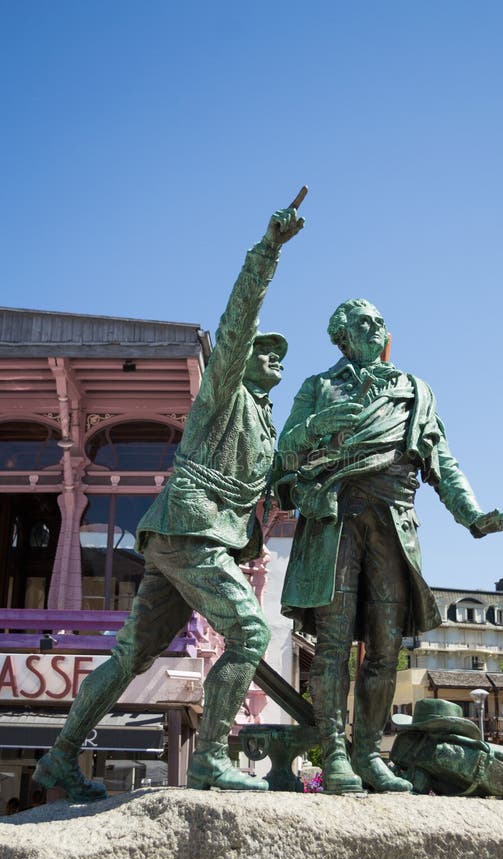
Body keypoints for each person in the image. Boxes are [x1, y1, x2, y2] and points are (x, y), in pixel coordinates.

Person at [34, 202, 304, 801]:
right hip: (191, 529)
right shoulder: (225, 391)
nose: (275, 357)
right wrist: (269, 250)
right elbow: (237, 319)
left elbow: (274, 490)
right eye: (267, 350)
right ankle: (208, 758)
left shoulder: (264, 423)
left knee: (130, 653)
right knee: (251, 634)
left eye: (282, 353)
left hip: (189, 538)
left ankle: (57, 758)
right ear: (244, 356)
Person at [276, 298, 503, 794]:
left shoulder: (414, 391)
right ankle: (336, 753)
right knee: (331, 646)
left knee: (386, 649)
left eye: (378, 322)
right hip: (335, 520)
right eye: (362, 323)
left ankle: (369, 753)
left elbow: (442, 461)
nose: (374, 329)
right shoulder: (318, 387)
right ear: (342, 336)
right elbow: (285, 451)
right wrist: (316, 427)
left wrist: (473, 514)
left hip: (394, 521)